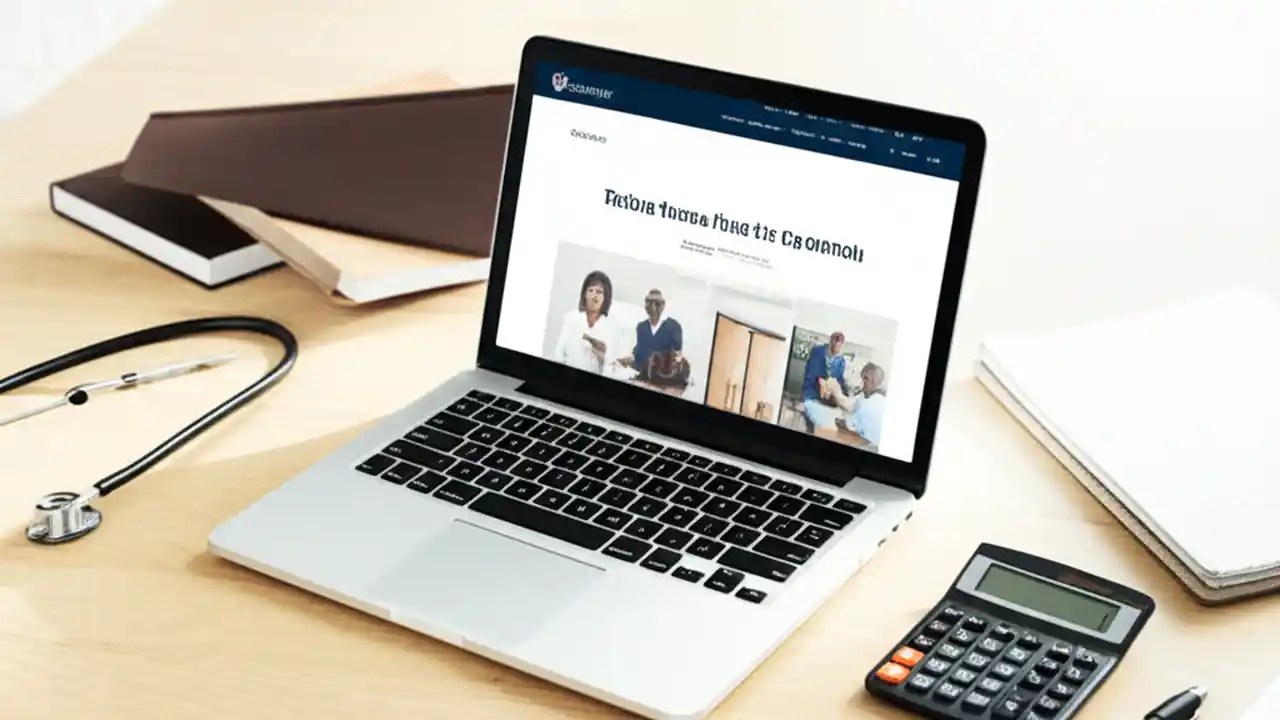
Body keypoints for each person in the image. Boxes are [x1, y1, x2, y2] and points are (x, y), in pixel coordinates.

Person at [553, 270, 618, 374]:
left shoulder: (611, 329)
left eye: (599, 292)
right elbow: (558, 355)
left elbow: (611, 369)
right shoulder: (571, 319)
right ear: (584, 294)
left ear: (606, 298)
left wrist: (603, 358)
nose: (594, 295)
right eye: (591, 290)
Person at [630, 289, 684, 381]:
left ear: (663, 305)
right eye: (649, 304)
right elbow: (639, 351)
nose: (653, 308)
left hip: (663, 380)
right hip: (641, 376)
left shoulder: (674, 327)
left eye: (657, 304)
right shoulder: (641, 327)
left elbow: (676, 356)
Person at [802, 331, 847, 436]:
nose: (837, 347)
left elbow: (839, 379)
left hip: (827, 398)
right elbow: (812, 374)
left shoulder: (841, 361)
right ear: (830, 342)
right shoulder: (817, 352)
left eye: (840, 346)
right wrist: (823, 385)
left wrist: (837, 391)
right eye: (835, 344)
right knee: (814, 422)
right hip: (811, 393)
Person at [845, 362, 886, 446]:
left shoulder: (875, 401)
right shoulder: (864, 396)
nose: (862, 380)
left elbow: (851, 425)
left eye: (865, 377)